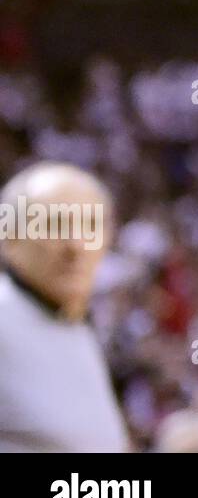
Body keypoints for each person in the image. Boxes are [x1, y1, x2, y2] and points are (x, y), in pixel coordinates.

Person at [0, 161, 129, 452]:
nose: (76, 245)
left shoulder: (76, 324)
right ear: (10, 238)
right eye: (54, 224)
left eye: (90, 226)